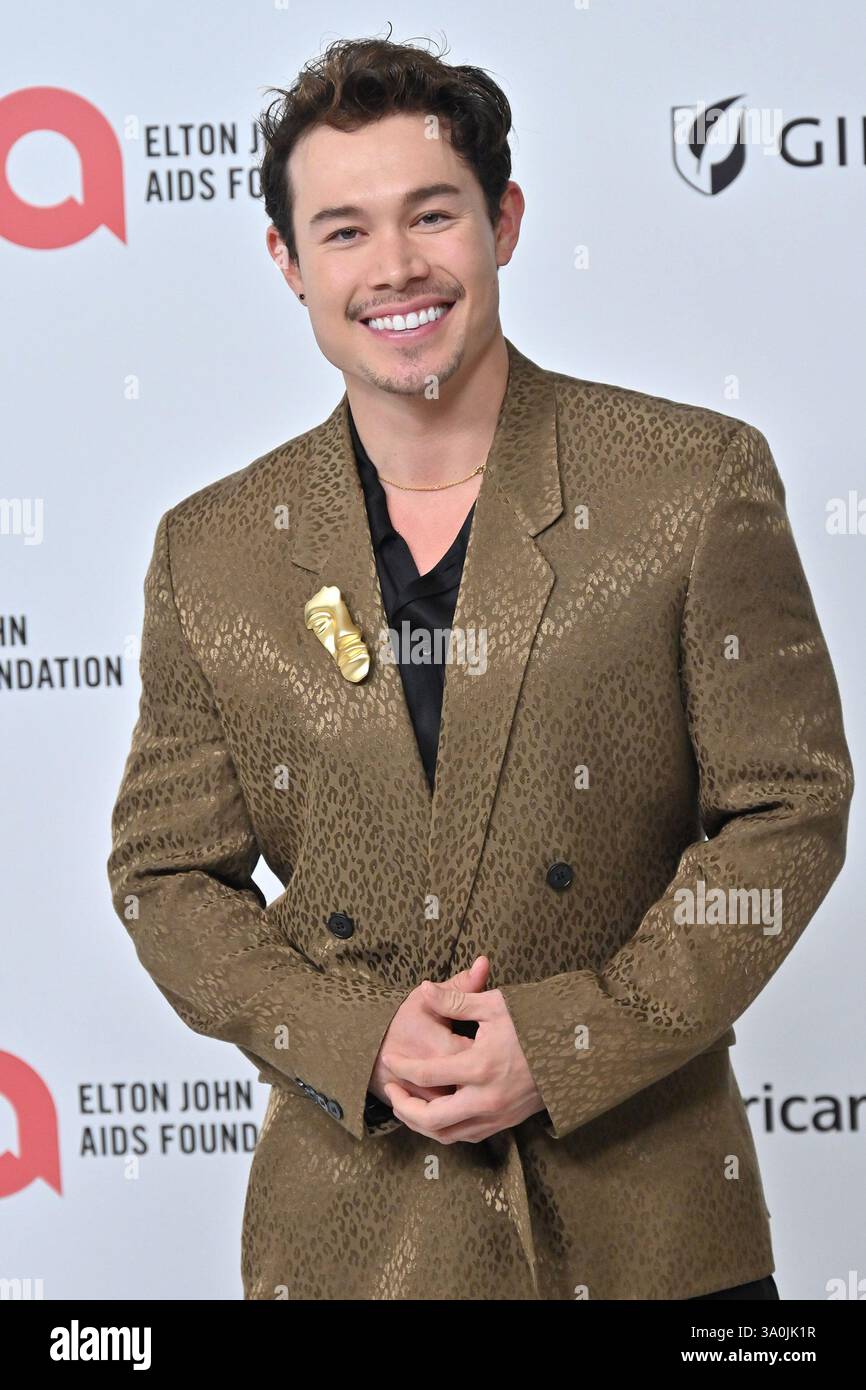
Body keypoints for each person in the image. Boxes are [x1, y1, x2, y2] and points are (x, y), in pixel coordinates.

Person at [107, 32, 853, 1300]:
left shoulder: (690, 480)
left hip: (654, 1228)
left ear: (503, 222)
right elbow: (166, 874)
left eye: (431, 214)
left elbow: (788, 809)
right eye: (341, 231)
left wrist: (569, 1041)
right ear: (286, 264)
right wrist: (352, 1038)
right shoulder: (213, 548)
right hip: (351, 1235)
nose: (393, 267)